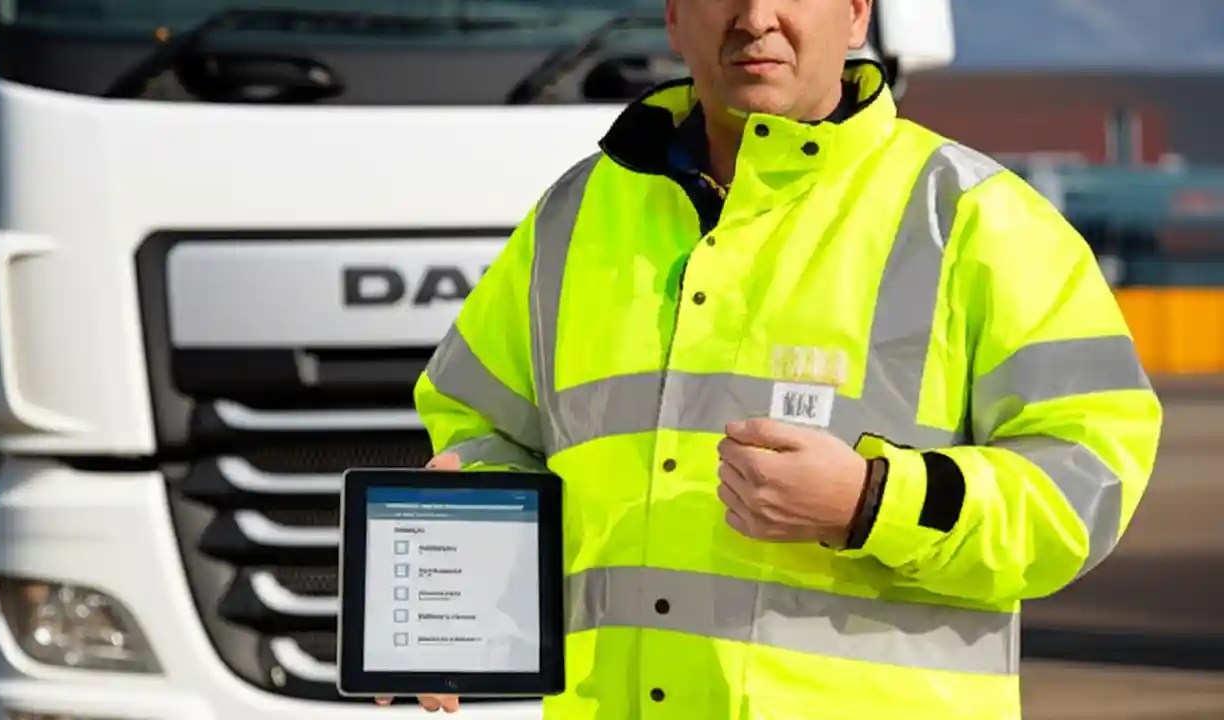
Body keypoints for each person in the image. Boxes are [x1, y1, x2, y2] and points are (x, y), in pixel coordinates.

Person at [385, 0, 1163, 716]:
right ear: (675, 17)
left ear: (857, 14)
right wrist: (467, 582)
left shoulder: (974, 219)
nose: (755, 18)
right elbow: (481, 428)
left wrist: (871, 500)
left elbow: (1083, 484)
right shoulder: (575, 214)